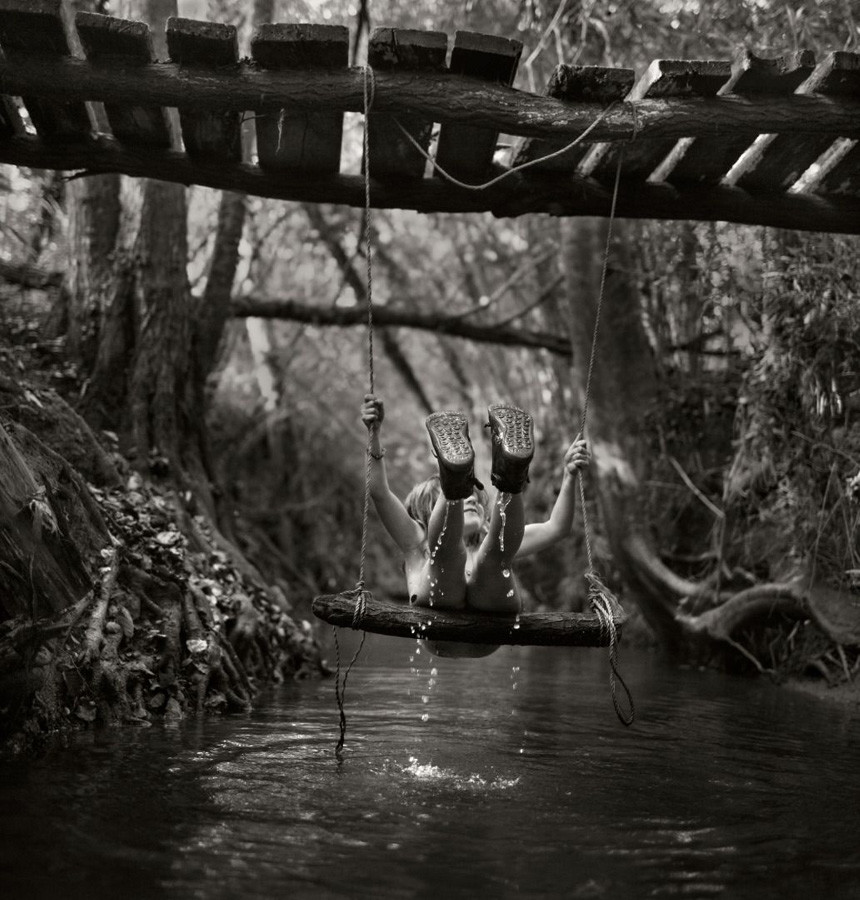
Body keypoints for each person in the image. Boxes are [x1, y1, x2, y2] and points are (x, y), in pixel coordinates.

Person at [360, 394, 590, 658]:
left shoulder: (489, 539)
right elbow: (378, 491)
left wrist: (569, 475)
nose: (472, 500)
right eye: (463, 496)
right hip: (438, 615)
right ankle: (452, 483)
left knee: (494, 555)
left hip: (492, 616)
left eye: (473, 497)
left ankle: (511, 480)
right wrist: (374, 433)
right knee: (445, 555)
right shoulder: (415, 540)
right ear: (426, 513)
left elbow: (556, 528)